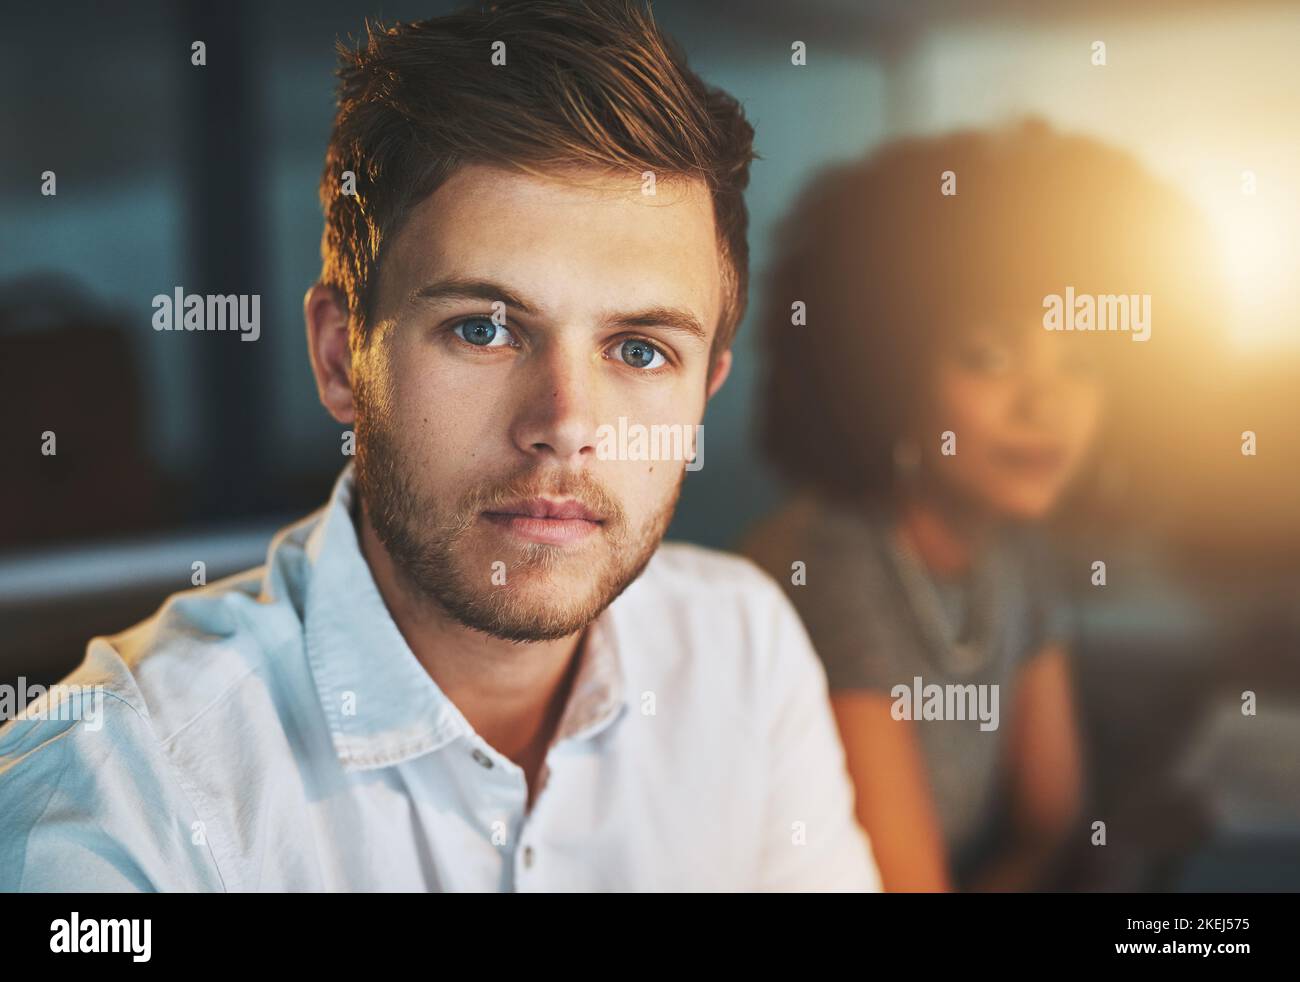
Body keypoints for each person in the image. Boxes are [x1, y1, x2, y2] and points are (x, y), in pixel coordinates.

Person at [0, 0, 878, 893]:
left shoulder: (741, 647)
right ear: (342, 357)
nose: (566, 422)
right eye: (483, 331)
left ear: (705, 392)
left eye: (640, 350)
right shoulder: (122, 799)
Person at [742, 120, 1222, 891]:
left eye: (1082, 362)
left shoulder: (1016, 556)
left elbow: (1047, 836)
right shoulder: (824, 569)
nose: (1047, 403)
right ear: (886, 365)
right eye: (989, 356)